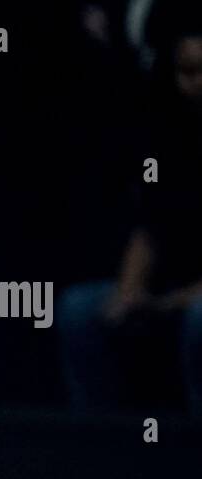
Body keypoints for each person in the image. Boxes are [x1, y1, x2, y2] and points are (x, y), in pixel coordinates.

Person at [58, 14, 202, 415]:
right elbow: (150, 228)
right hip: (173, 291)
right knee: (80, 310)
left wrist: (171, 304)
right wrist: (129, 293)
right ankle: (104, 454)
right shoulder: (170, 139)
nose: (197, 83)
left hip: (190, 302)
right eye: (188, 71)